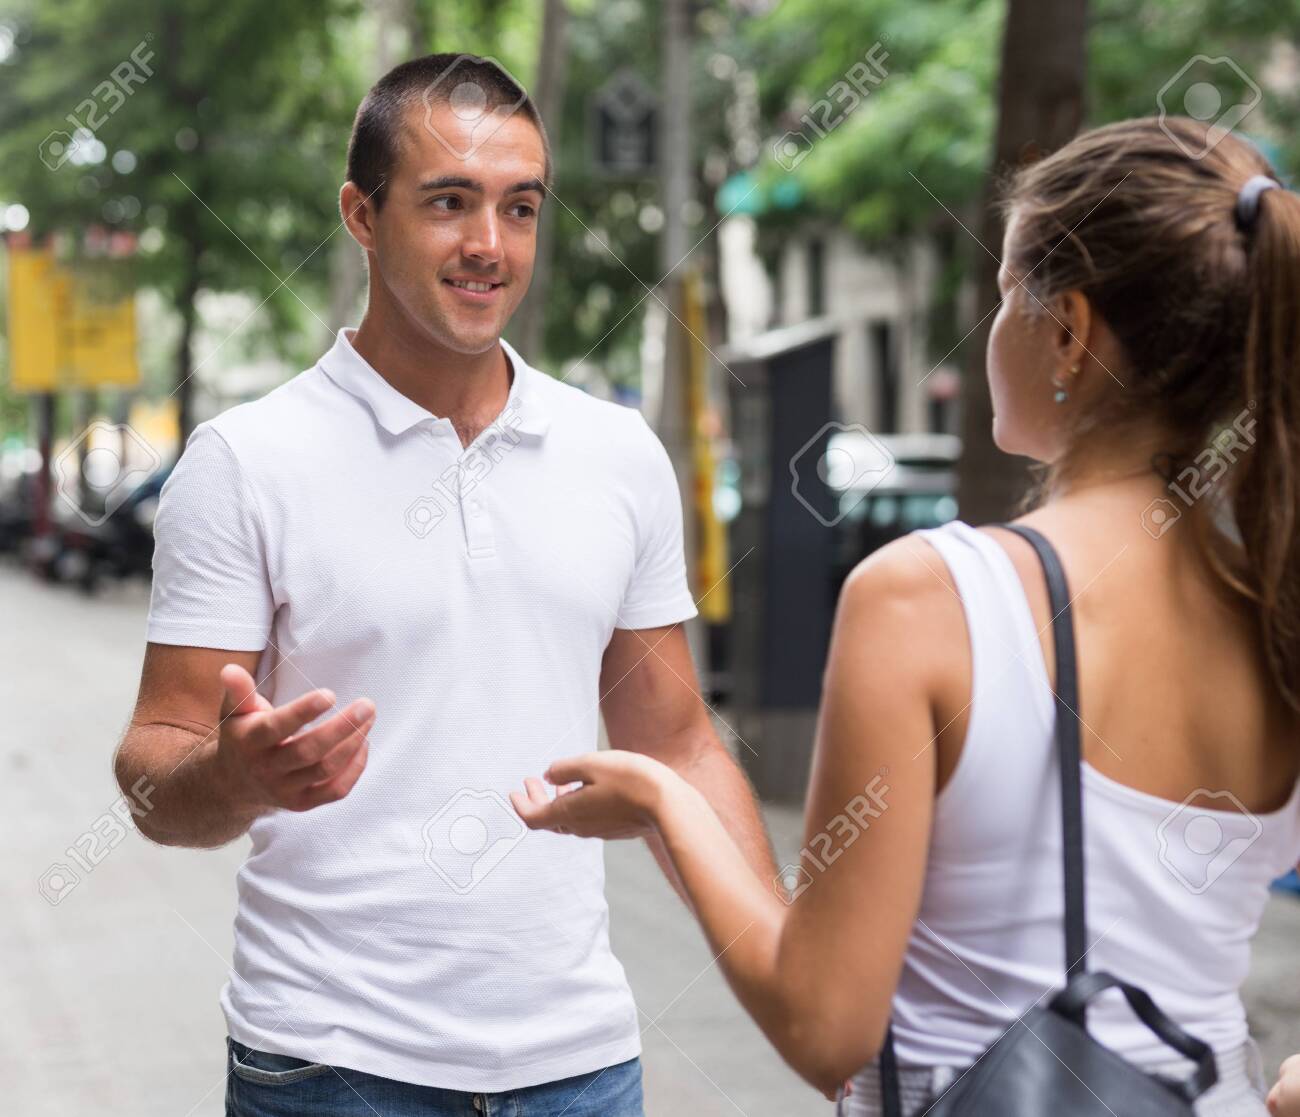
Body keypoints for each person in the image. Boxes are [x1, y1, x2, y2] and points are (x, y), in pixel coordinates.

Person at [512, 115, 1300, 1116]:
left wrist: (667, 802)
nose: (989, 328)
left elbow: (822, 1024)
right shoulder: (1275, 606)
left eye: (1005, 293)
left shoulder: (934, 598)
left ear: (1069, 331)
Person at [113, 53, 774, 1117]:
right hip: (329, 1067)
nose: (489, 244)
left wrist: (781, 959)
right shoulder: (248, 459)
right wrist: (238, 777)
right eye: (449, 202)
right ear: (361, 215)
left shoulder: (615, 453)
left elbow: (678, 739)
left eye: (519, 208)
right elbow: (155, 767)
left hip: (580, 1065)